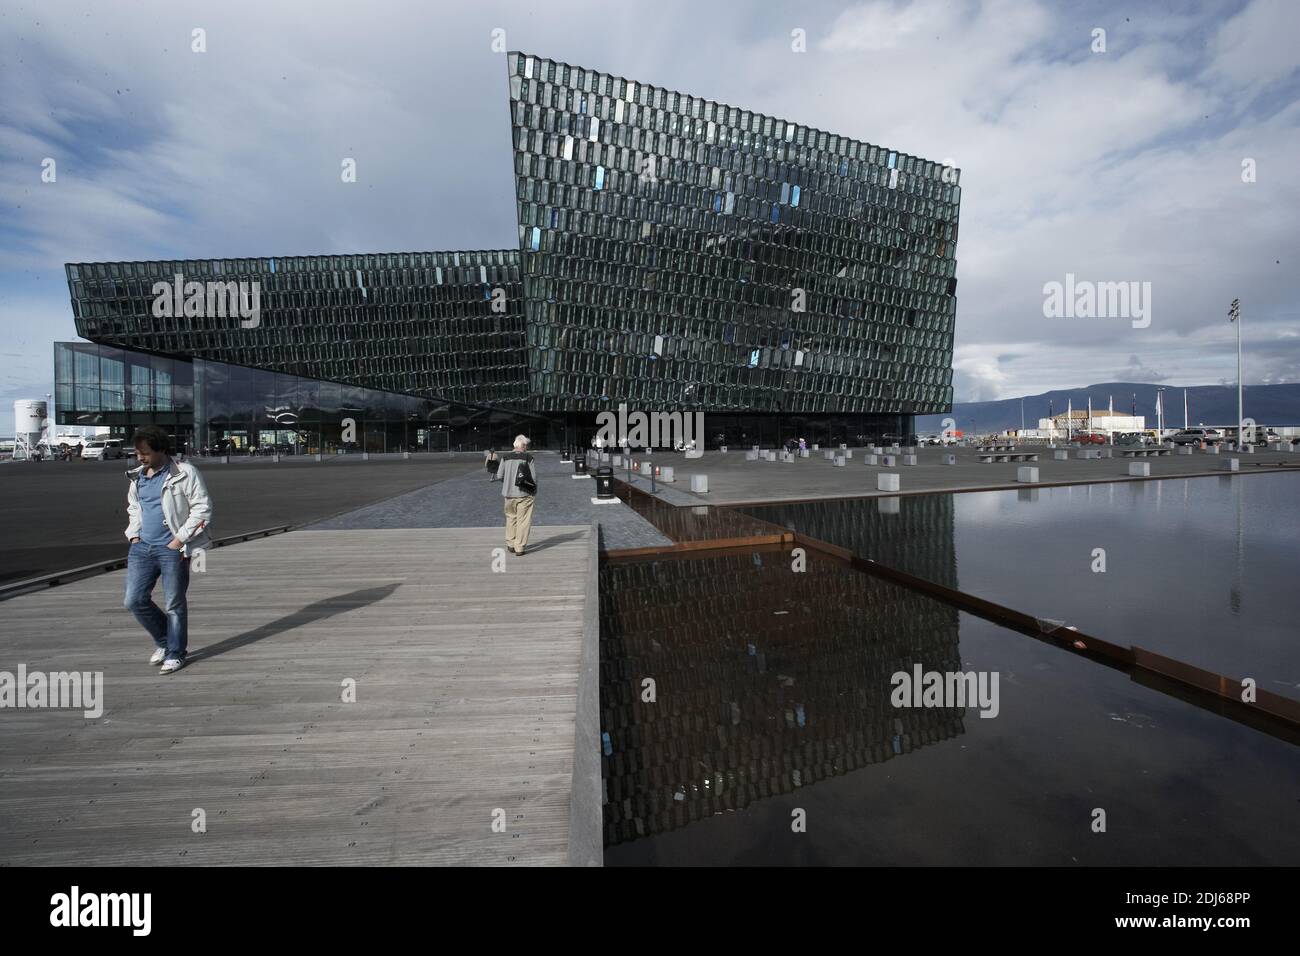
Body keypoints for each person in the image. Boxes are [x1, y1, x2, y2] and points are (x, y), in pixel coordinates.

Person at [123, 425, 213, 675]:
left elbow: (202, 509)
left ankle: (175, 653)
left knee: (174, 603)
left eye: (145, 453)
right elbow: (134, 507)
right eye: (137, 453)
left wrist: (179, 540)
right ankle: (164, 641)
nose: (140, 458)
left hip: (172, 549)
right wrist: (133, 535)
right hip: (142, 547)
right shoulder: (137, 476)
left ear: (161, 450)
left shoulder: (184, 473)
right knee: (133, 600)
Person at [497, 434, 537, 556]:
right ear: (523, 445)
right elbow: (534, 477)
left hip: (508, 494)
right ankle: (519, 547)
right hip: (524, 494)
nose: (527, 448)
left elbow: (499, 476)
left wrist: (508, 482)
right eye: (526, 446)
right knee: (523, 521)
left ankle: (510, 543)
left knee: (511, 518)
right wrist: (534, 491)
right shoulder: (528, 458)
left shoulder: (505, 457)